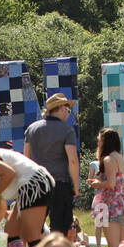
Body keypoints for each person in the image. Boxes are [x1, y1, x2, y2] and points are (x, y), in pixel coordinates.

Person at [23, 93, 80, 233]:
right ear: (61, 109)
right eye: (68, 110)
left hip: (37, 183)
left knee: (34, 229)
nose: (69, 114)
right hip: (59, 184)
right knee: (60, 229)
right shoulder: (67, 130)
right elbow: (73, 160)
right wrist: (76, 186)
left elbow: (26, 158)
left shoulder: (31, 129)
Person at [88, 128, 124, 247]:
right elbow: (118, 182)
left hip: (111, 207)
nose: (98, 144)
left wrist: (97, 184)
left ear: (105, 142)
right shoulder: (121, 159)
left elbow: (111, 184)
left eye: (99, 141)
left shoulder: (108, 159)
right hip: (123, 206)